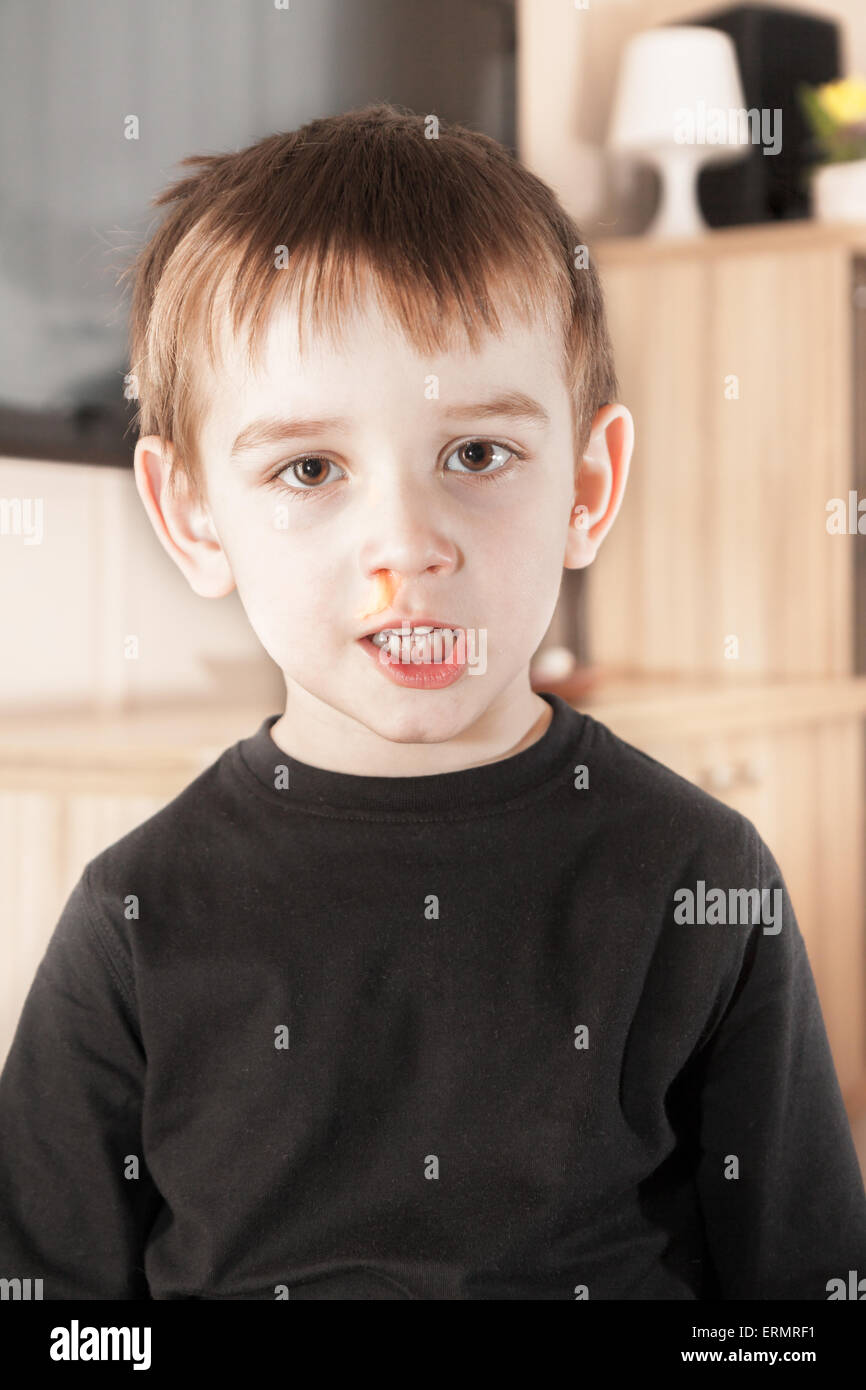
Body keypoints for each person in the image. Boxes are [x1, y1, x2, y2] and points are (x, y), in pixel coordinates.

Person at [1, 102, 864, 1301]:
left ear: (586, 484)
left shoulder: (698, 877)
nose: (405, 547)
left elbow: (801, 1298)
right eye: (309, 469)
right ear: (194, 515)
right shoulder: (131, 918)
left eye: (474, 455)